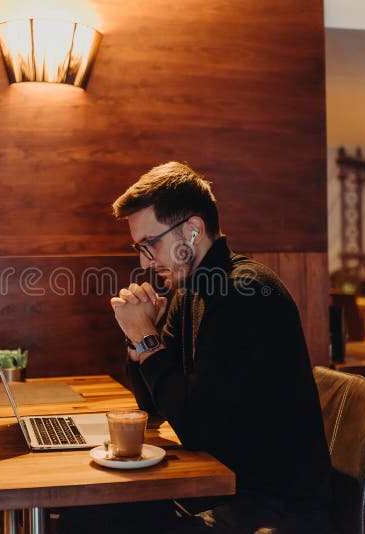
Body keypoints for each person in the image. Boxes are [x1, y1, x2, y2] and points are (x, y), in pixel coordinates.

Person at [57, 162, 332, 533]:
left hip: (272, 508)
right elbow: (155, 404)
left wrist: (146, 337)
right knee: (82, 516)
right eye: (139, 248)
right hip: (223, 489)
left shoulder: (243, 292)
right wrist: (139, 340)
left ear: (193, 230)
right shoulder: (190, 291)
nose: (144, 261)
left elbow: (195, 428)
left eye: (150, 244)